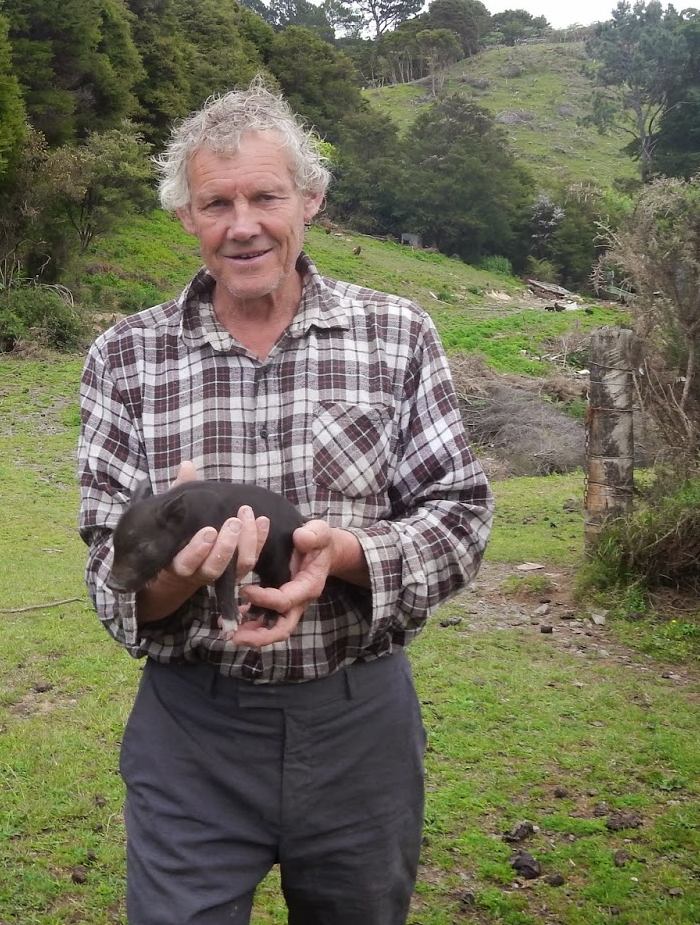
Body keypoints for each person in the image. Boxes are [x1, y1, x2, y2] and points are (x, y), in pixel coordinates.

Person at [78, 76, 492, 925]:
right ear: (186, 217)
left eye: (265, 197)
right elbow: (108, 571)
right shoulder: (124, 358)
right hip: (192, 730)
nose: (243, 226)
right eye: (216, 203)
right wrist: (180, 577)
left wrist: (340, 556)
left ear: (310, 200)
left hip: (359, 726)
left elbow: (459, 516)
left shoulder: (398, 335)